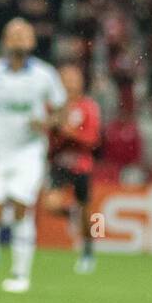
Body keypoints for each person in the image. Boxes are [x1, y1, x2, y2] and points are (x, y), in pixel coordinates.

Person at [0, 18, 66, 294]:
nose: (18, 38)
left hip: (28, 152)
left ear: (32, 41)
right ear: (4, 40)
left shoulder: (45, 74)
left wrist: (49, 124)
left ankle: (20, 274)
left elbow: (62, 110)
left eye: (23, 34)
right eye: (13, 34)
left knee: (19, 208)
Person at [45, 63, 101, 273]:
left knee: (87, 211)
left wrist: (67, 132)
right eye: (65, 79)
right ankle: (71, 215)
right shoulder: (53, 106)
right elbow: (48, 135)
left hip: (82, 165)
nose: (69, 83)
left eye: (73, 78)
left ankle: (88, 251)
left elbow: (93, 139)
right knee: (50, 204)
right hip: (59, 164)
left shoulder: (88, 106)